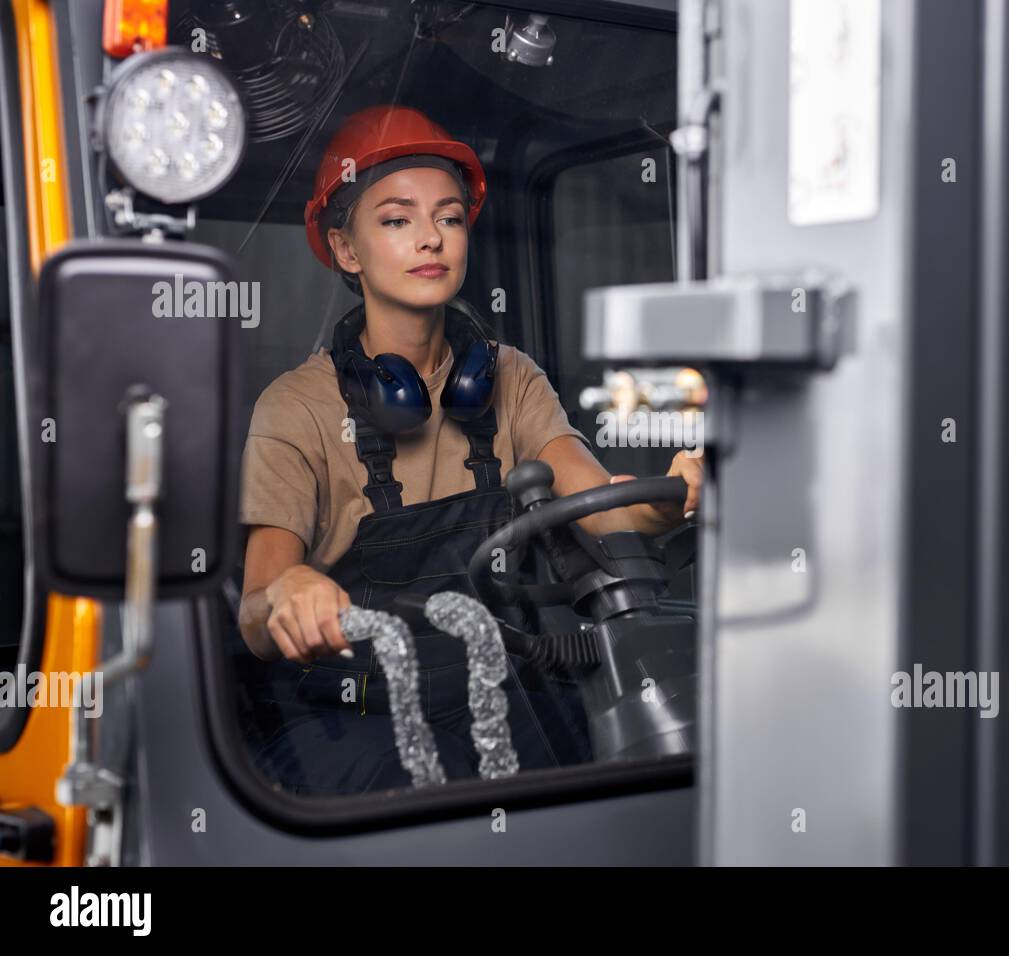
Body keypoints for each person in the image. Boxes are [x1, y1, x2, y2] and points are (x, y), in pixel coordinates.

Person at [236, 104, 702, 794]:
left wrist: (671, 501)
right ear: (345, 249)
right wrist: (291, 590)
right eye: (397, 220)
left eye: (449, 218)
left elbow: (602, 508)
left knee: (630, 766)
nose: (430, 239)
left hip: (498, 682)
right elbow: (253, 614)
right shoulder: (295, 407)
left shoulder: (509, 377)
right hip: (351, 716)